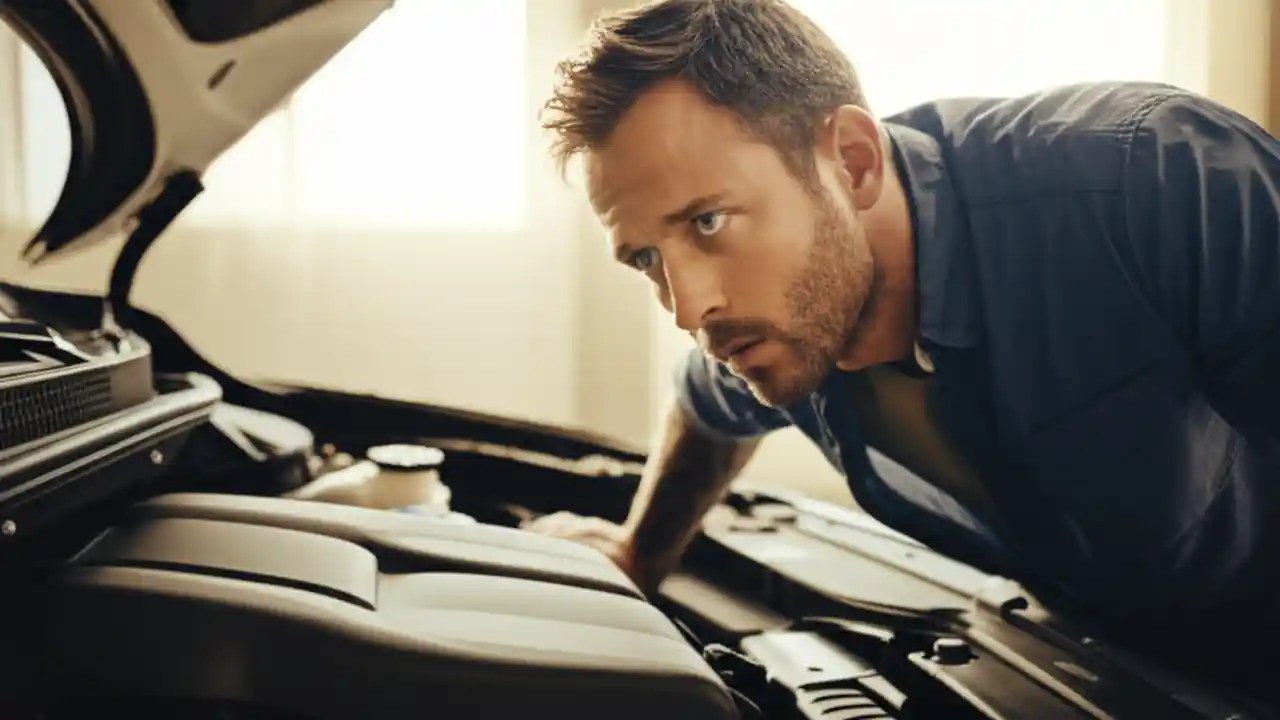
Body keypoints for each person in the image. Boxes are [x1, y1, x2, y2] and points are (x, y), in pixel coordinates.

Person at [524, 0, 1280, 650]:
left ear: (852, 162)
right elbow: (706, 403)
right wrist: (638, 555)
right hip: (1093, 649)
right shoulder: (769, 324)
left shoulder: (1150, 179)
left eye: (709, 221)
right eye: (647, 258)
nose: (688, 308)